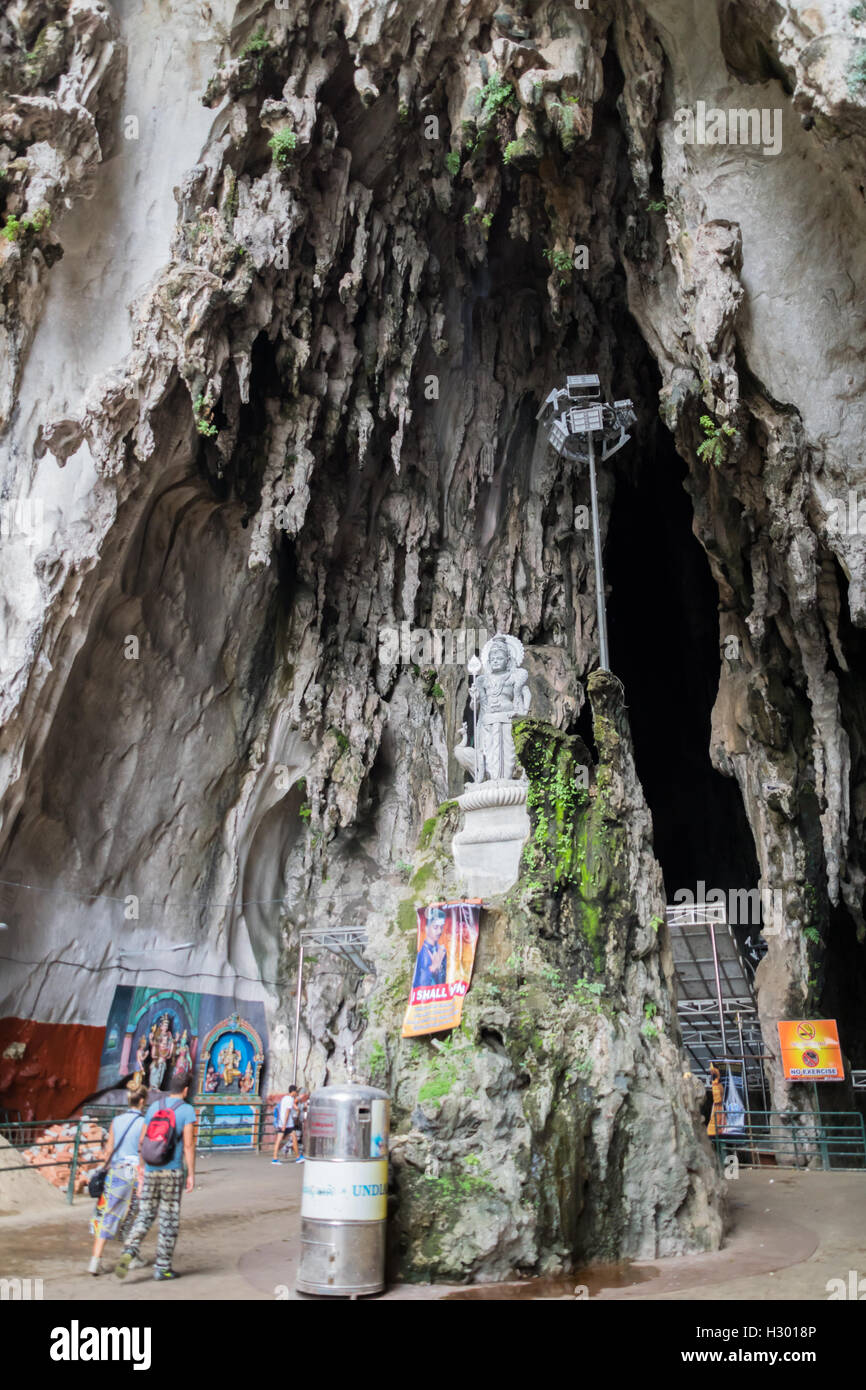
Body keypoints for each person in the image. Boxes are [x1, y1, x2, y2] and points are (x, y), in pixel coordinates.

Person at [114, 1071, 197, 1282]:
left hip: (151, 1169)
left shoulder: (154, 1107)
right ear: (186, 1090)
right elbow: (188, 1145)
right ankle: (163, 1268)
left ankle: (128, 1251)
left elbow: (142, 1141)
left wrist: (142, 1168)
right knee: (169, 1220)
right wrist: (191, 1174)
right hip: (172, 1172)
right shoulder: (187, 1111)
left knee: (145, 1215)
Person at [88, 1084, 148, 1276]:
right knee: (134, 1216)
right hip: (134, 1172)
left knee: (108, 1214)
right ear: (141, 1101)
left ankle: (95, 1260)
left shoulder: (116, 1121)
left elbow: (108, 1150)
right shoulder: (144, 1122)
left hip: (115, 1172)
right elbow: (143, 1151)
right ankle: (129, 1258)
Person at [412, 906, 448, 988]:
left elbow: (443, 981)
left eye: (441, 927)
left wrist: (439, 969)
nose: (439, 931)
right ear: (427, 929)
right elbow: (419, 984)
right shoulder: (423, 953)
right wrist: (432, 968)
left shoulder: (441, 951)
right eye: (435, 927)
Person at [272, 1086, 302, 1163]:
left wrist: (298, 1108)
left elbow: (294, 1107)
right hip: (286, 1124)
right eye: (296, 1092)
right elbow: (287, 1112)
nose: (297, 1093)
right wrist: (285, 1124)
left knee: (291, 1137)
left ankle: (297, 1157)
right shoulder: (289, 1099)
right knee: (281, 1139)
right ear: (293, 1092)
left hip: (283, 1123)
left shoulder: (286, 1098)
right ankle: (297, 1157)